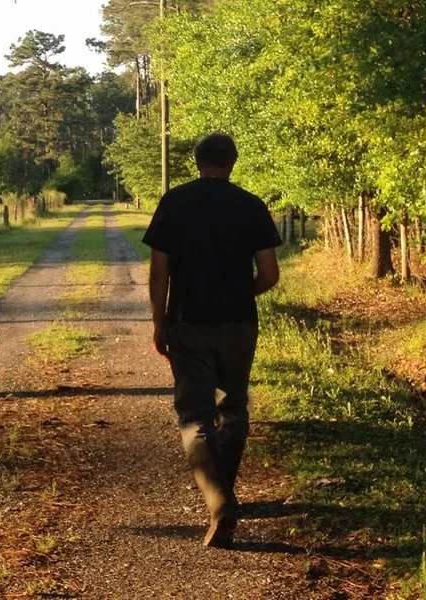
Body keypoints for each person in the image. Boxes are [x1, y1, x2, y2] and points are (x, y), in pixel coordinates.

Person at [142, 132, 282, 548]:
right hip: (239, 322)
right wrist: (240, 294)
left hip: (188, 321)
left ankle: (219, 501)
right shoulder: (251, 205)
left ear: (197, 162)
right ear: (233, 162)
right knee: (234, 407)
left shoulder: (174, 203)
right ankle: (226, 491)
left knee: (195, 416)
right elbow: (270, 275)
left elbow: (159, 272)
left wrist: (158, 321)